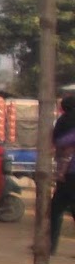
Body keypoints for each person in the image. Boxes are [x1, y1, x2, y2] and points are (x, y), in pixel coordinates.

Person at [51, 96, 75, 251]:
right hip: (69, 172)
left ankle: (50, 245)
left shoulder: (64, 120)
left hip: (69, 173)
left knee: (55, 209)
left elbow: (60, 141)